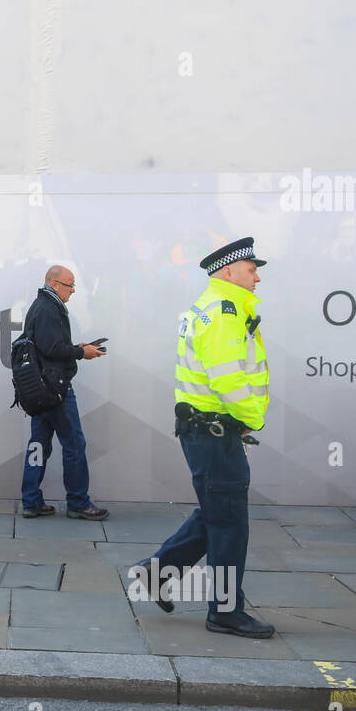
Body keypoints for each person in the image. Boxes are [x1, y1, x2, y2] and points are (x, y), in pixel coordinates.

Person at [131, 238, 274, 637]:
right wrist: (253, 419)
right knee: (229, 523)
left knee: (218, 511)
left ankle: (157, 573)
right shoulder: (224, 313)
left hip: (206, 430)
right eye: (251, 269)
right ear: (228, 272)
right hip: (214, 431)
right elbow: (227, 378)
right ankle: (225, 612)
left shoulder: (213, 308)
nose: (257, 276)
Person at [19, 265, 109, 520]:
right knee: (74, 444)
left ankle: (31, 500)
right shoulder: (49, 308)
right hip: (55, 390)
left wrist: (77, 347)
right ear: (55, 284)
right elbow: (51, 349)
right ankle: (79, 502)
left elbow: (48, 346)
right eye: (70, 285)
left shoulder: (40, 306)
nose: (73, 291)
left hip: (40, 391)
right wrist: (82, 352)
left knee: (38, 445)